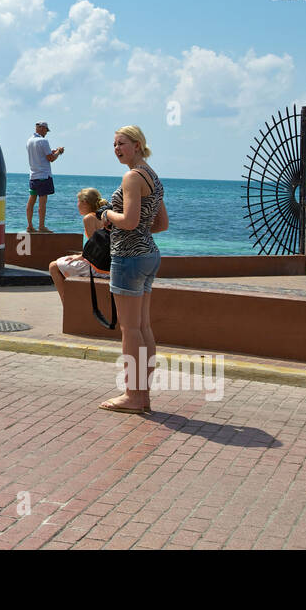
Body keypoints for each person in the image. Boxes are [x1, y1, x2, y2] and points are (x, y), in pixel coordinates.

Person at [95, 125, 168, 415]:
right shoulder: (152, 176)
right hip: (149, 255)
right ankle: (143, 394)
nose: (116, 148)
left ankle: (133, 396)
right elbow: (160, 224)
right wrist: (133, 228)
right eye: (114, 144)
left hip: (128, 258)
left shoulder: (131, 177)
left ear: (137, 145)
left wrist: (106, 214)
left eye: (122, 143)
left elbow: (128, 220)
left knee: (130, 330)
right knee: (143, 327)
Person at [48, 187, 107, 305]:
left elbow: (94, 247)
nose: (77, 205)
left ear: (85, 203)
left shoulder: (89, 218)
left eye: (78, 201)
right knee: (65, 262)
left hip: (97, 268)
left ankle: (67, 304)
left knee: (53, 266)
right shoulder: (103, 216)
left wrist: (80, 256)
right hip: (106, 265)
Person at [26, 121, 65, 233]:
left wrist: (52, 152)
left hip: (33, 175)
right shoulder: (43, 141)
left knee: (31, 200)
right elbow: (51, 158)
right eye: (46, 130)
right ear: (42, 128)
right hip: (43, 175)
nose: (46, 133)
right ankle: (41, 226)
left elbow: (41, 155)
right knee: (42, 203)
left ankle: (29, 226)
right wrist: (58, 152)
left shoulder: (29, 141)